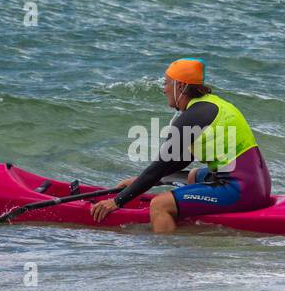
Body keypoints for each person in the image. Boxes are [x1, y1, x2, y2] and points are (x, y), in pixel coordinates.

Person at [90, 59, 272, 233]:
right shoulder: (212, 105)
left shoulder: (192, 117)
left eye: (167, 83)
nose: (164, 90)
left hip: (241, 191)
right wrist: (139, 183)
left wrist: (117, 201)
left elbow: (158, 167)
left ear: (181, 86)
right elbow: (176, 162)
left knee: (159, 205)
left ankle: (170, 257)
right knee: (192, 176)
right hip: (257, 184)